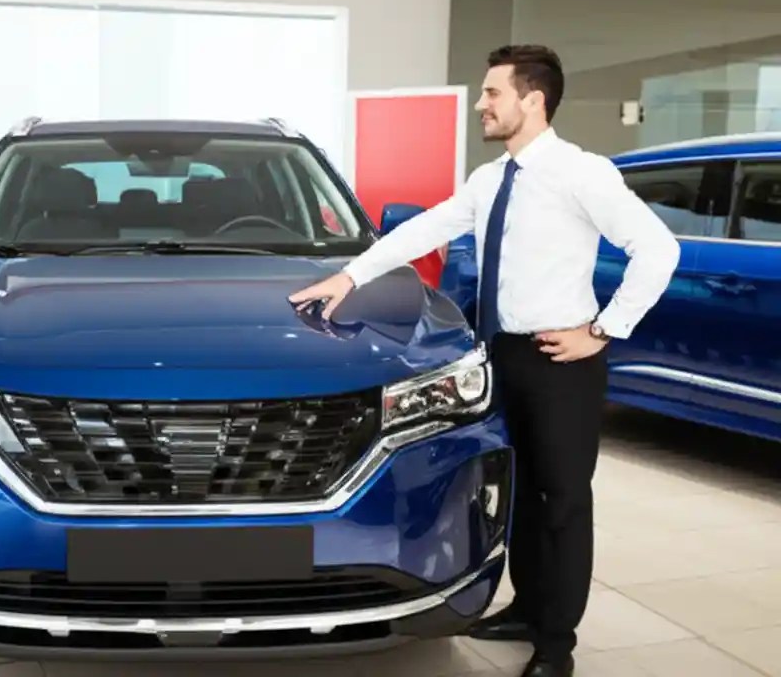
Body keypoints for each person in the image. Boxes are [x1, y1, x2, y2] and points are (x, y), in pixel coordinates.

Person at [289, 45, 679, 677]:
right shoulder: (492, 178)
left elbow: (658, 249)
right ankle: (527, 606)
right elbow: (428, 229)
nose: (481, 104)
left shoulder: (583, 172)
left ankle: (557, 646)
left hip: (561, 363)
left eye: (492, 92)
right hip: (503, 356)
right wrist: (350, 277)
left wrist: (604, 330)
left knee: (563, 503)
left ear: (533, 99)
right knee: (519, 493)